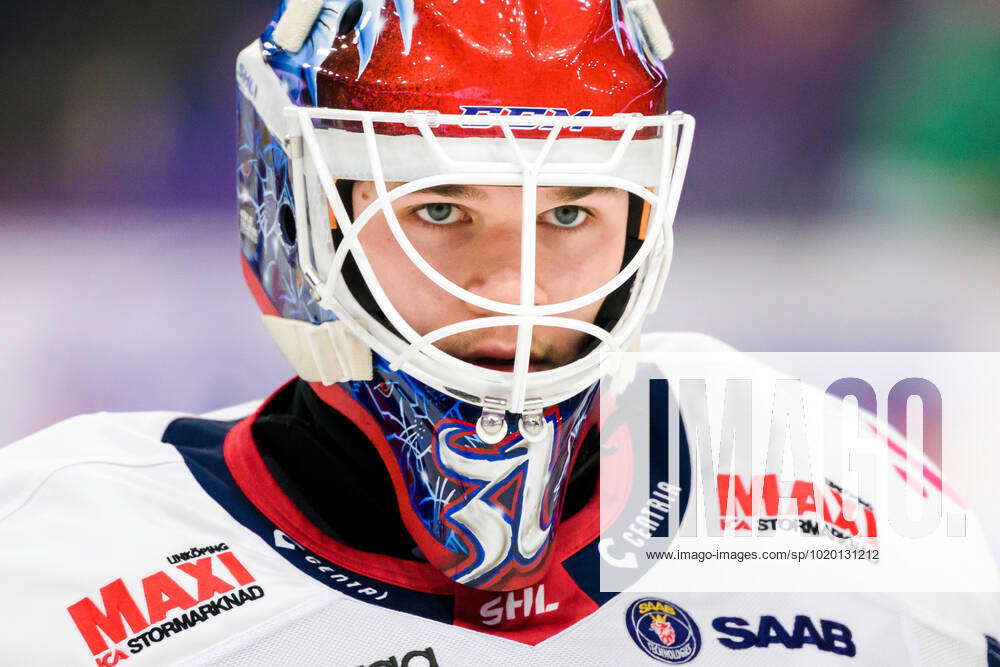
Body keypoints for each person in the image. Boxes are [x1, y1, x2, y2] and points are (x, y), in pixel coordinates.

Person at [1, 0, 998, 665]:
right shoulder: (58, 555)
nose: (514, 286)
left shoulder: (830, 491)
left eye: (569, 213)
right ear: (298, 217)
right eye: (440, 209)